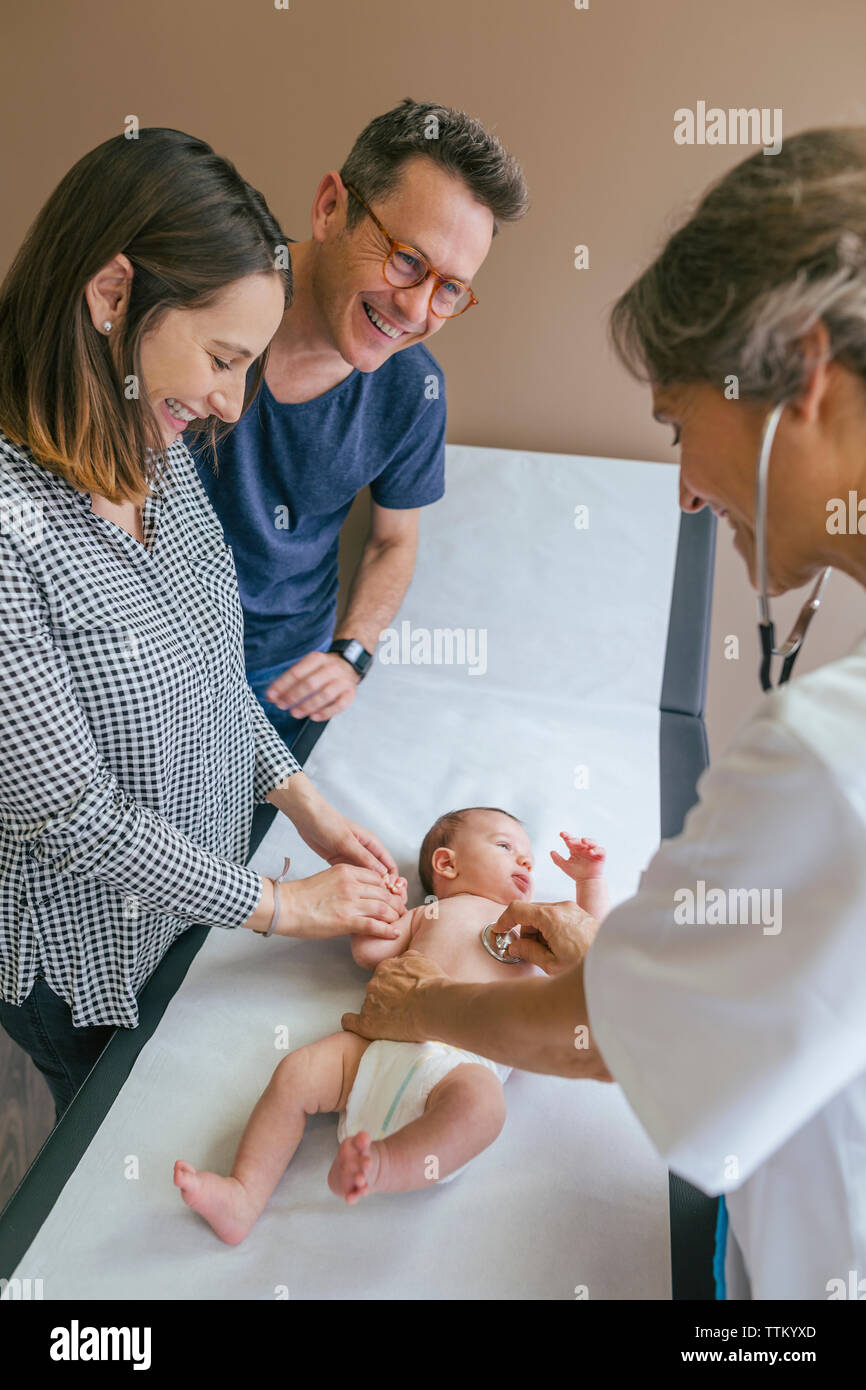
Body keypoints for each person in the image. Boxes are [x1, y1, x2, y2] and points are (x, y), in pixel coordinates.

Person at [340, 127, 866, 1300]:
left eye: (680, 427)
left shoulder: (830, 753)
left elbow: (604, 1042)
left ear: (801, 370)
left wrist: (435, 1004)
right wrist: (599, 961)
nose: (680, 486)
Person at [0, 128, 408, 1124]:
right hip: (80, 948)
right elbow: (72, 820)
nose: (231, 401)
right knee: (105, 1130)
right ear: (109, 296)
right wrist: (281, 908)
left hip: (194, 892)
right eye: (222, 358)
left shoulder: (157, 446)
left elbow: (210, 667)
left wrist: (298, 798)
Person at [188, 99, 528, 750]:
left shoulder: (415, 392)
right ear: (329, 208)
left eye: (450, 289)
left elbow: (392, 542)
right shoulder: (206, 300)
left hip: (282, 674)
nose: (417, 309)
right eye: (406, 259)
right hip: (141, 645)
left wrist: (350, 656)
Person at [173, 809, 609, 1242]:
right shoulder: (431, 914)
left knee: (484, 1105)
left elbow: (590, 948)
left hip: (464, 1064)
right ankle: (244, 1195)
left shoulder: (535, 925)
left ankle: (380, 1164)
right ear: (447, 864)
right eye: (504, 846)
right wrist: (386, 904)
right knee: (297, 1072)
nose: (525, 861)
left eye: (526, 855)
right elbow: (369, 953)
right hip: (380, 1043)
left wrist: (589, 881)